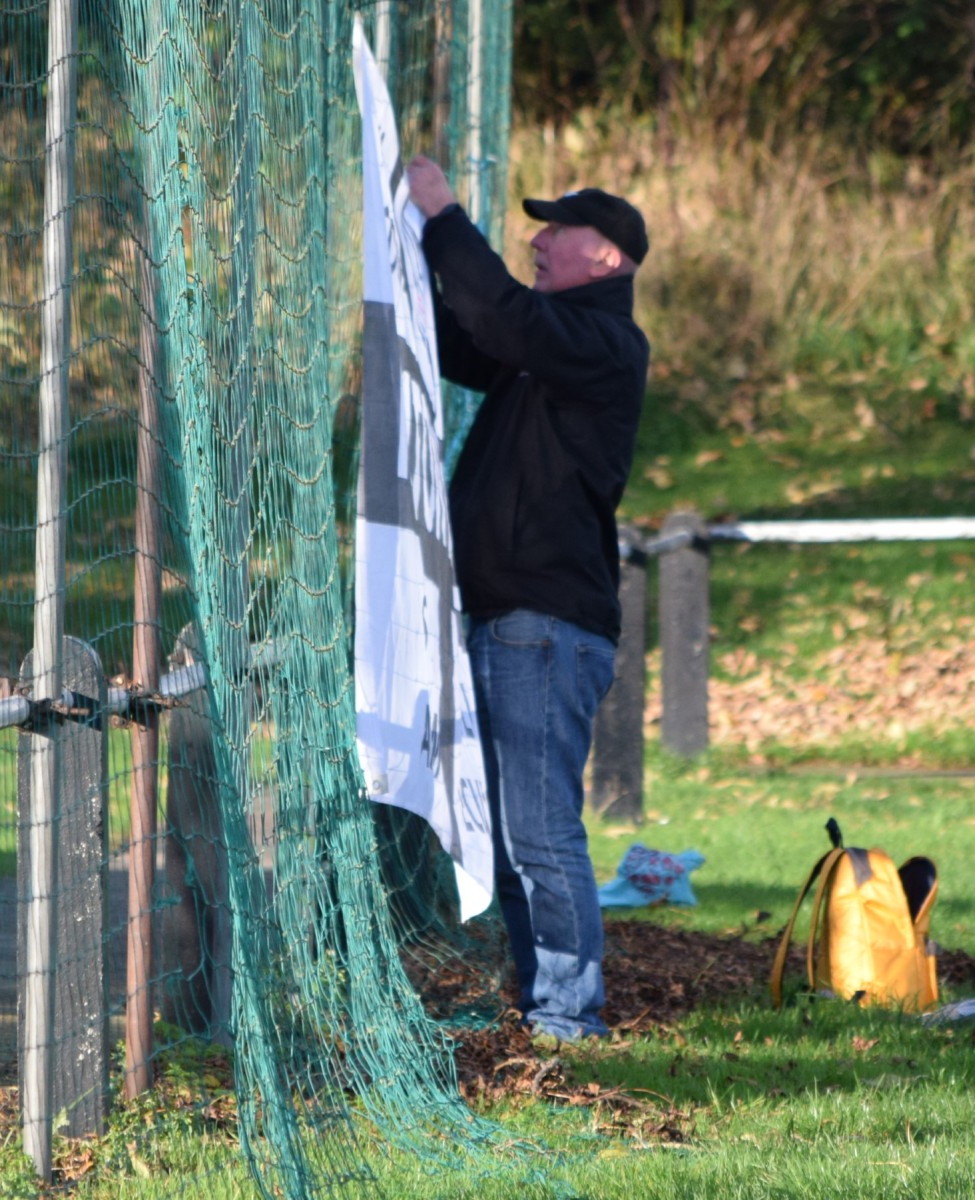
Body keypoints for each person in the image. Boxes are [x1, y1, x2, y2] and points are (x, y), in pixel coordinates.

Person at [405, 155, 650, 1043]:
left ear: (608, 260)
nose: (538, 239)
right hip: (512, 624)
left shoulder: (601, 345)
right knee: (512, 839)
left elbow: (502, 313)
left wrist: (443, 217)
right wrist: (405, 256)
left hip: (545, 632)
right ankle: (540, 1003)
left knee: (541, 835)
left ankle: (567, 1017)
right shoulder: (543, 347)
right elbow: (468, 327)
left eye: (558, 230)